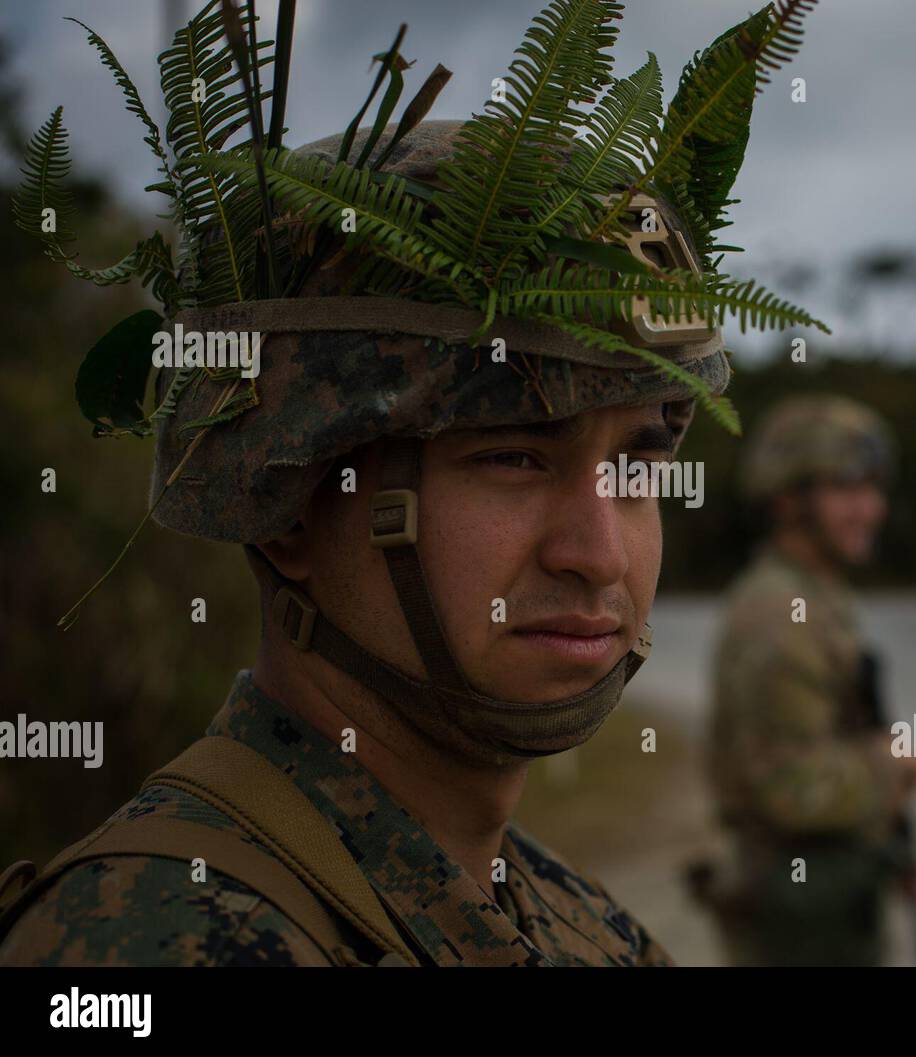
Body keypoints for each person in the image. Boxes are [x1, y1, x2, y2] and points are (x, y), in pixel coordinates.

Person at [0, 0, 828, 964]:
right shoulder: (151, 939)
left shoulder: (581, 924)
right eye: (512, 457)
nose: (599, 552)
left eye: (634, 463)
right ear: (293, 504)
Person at [700, 395, 916, 966]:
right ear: (789, 500)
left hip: (826, 893)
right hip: (799, 912)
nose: (870, 508)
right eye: (847, 489)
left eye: (874, 488)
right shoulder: (781, 612)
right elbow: (789, 786)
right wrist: (893, 766)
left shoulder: (816, 593)